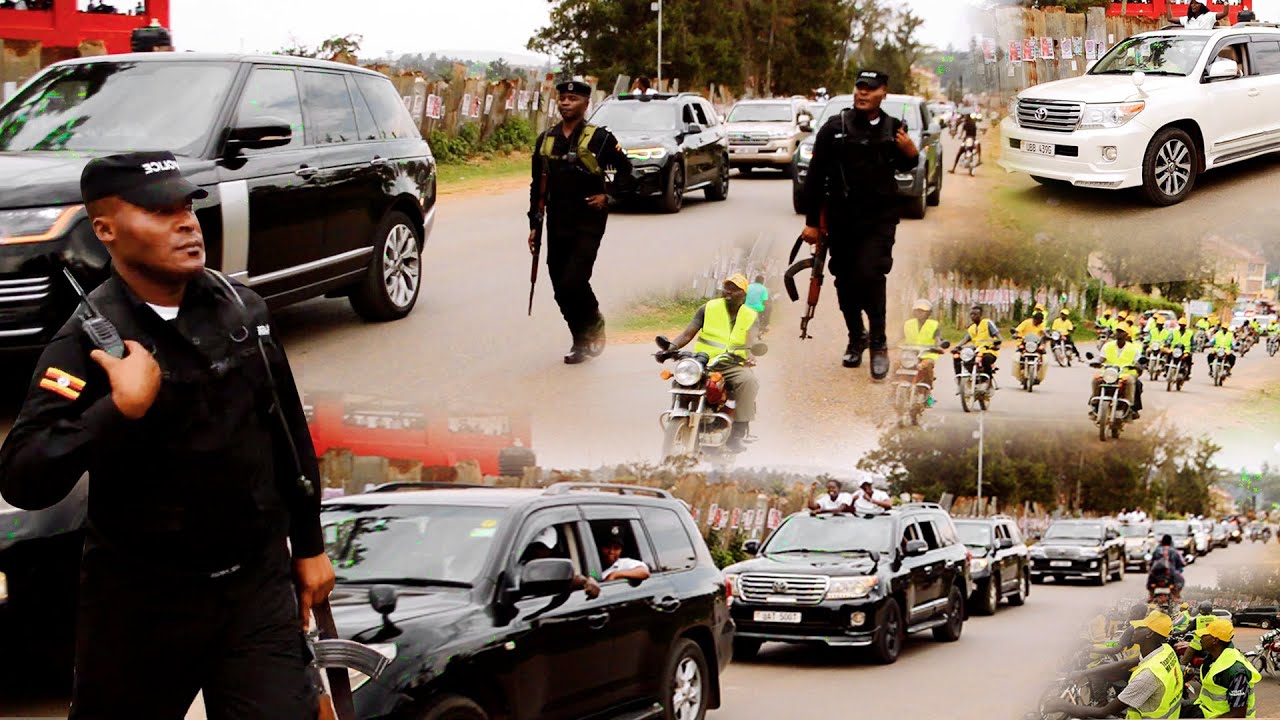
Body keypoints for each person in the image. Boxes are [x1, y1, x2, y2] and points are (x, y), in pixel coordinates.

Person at [0, 152, 334, 718]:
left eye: (186, 206)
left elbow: (285, 430)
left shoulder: (241, 308)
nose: (186, 222)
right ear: (105, 229)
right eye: (160, 211)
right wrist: (116, 410)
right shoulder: (84, 344)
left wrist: (309, 543)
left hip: (254, 591)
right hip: (141, 607)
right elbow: (23, 476)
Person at [800, 69, 919, 379]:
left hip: (879, 219)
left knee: (871, 273)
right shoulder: (834, 127)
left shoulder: (895, 128)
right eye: (859, 87)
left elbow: (906, 164)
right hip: (841, 218)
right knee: (844, 281)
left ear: (884, 93)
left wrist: (910, 152)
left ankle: (879, 343)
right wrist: (812, 223)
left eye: (871, 88)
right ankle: (857, 336)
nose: (863, 93)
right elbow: (815, 177)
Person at [529, 79, 634, 365]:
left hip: (588, 223)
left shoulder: (600, 138)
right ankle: (579, 339)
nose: (565, 103)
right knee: (559, 287)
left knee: (574, 281)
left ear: (586, 103)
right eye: (562, 98)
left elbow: (626, 171)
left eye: (572, 98)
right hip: (556, 223)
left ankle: (593, 323)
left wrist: (607, 194)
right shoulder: (546, 139)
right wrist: (534, 225)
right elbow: (536, 185)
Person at [659, 274, 760, 451]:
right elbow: (687, 334)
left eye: (734, 288)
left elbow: (751, 340)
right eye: (726, 287)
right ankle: (677, 418)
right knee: (681, 379)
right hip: (704, 362)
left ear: (743, 294)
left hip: (732, 364)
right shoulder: (708, 308)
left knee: (748, 382)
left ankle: (738, 432)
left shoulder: (750, 315)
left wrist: (751, 354)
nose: (728, 291)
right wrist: (670, 348)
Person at [1044, 611, 1183, 719]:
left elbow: (1104, 712)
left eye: (1139, 627)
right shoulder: (1164, 650)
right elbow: (1126, 663)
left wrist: (1063, 706)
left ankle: (1101, 699)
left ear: (1149, 633)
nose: (1133, 629)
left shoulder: (1148, 676)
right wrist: (1084, 672)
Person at [1183, 619, 1261, 718]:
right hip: (1207, 708)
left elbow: (1238, 715)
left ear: (1215, 640)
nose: (1200, 638)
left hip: (1218, 716)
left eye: (1204, 635)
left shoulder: (1235, 671)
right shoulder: (1214, 657)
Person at [521, 527, 601, 598]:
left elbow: (588, 574)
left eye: (544, 548)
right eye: (536, 546)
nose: (539, 551)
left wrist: (587, 580)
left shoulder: (557, 568)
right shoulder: (521, 564)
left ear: (553, 549)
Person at [1091, 322, 1144, 420]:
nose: (1119, 334)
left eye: (1122, 332)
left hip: (1125, 374)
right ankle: (1095, 404)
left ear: (1127, 335)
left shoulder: (1133, 349)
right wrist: (1096, 362)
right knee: (1096, 379)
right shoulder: (1108, 346)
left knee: (1130, 381)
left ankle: (1129, 406)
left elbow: (1138, 363)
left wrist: (1136, 366)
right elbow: (1101, 358)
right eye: (1118, 331)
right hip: (1109, 373)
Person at [953, 304, 1002, 392]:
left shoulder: (987, 323)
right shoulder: (971, 328)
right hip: (976, 351)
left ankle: (986, 381)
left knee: (986, 359)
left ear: (980, 315)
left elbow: (998, 336)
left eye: (975, 314)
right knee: (957, 356)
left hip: (989, 350)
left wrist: (997, 343)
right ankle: (960, 381)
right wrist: (957, 347)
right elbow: (965, 339)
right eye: (971, 314)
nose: (973, 316)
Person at [903, 298, 943, 392]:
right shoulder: (908, 324)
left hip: (927, 354)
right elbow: (899, 336)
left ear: (929, 313)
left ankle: (929, 388)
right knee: (896, 364)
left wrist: (938, 346)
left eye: (923, 311)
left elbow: (938, 339)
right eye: (917, 310)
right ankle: (895, 389)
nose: (920, 313)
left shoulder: (934, 325)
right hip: (910, 354)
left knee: (926, 365)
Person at [1012, 306, 1049, 386]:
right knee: (1016, 358)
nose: (1040, 322)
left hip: (1036, 345)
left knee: (1045, 360)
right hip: (1024, 344)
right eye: (1039, 321)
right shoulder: (1026, 322)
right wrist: (1016, 334)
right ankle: (1019, 375)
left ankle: (1039, 376)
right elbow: (1017, 330)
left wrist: (1047, 336)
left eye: (1041, 321)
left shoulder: (1041, 325)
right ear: (1034, 319)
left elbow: (1044, 332)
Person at [1148, 534, 1186, 599]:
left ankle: (1151, 596)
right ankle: (1176, 597)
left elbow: (1151, 562)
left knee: (1150, 585)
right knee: (1181, 582)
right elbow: (1181, 563)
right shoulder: (1174, 551)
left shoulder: (1156, 551)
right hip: (1171, 576)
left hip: (1155, 576)